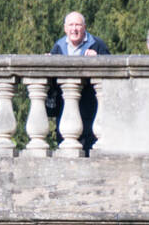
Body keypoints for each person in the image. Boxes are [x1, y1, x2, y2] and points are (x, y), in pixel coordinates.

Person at [47, 12, 111, 155]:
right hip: (65, 110)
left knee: (90, 150)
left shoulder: (97, 45)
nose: (74, 29)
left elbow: (112, 74)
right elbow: (51, 82)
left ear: (84, 27)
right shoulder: (58, 46)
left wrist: (99, 59)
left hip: (91, 109)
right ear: (65, 28)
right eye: (71, 25)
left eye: (77, 25)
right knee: (66, 148)